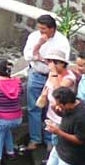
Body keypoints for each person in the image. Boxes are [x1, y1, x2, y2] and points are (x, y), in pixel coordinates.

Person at [21, 16, 69, 150]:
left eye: (43, 28)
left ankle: (49, 139)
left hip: (53, 77)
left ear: (52, 29)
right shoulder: (34, 37)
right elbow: (27, 55)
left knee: (51, 108)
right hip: (36, 74)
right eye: (39, 28)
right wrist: (39, 45)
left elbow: (62, 62)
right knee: (34, 107)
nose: (40, 31)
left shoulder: (62, 41)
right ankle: (35, 138)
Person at [43, 87, 85, 165]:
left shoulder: (81, 117)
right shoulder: (69, 108)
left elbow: (80, 139)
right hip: (59, 148)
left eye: (60, 104)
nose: (58, 106)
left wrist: (58, 132)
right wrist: (57, 111)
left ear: (67, 103)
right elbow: (65, 115)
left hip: (71, 157)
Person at [0, 60, 25, 158]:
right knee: (6, 130)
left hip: (1, 118)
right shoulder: (17, 81)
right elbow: (21, 93)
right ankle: (10, 151)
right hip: (17, 118)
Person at [37, 49, 77, 148]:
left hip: (62, 115)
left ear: (62, 64)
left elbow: (59, 91)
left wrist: (54, 72)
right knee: (51, 137)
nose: (52, 65)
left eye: (55, 62)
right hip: (51, 112)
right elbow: (47, 86)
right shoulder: (52, 74)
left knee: (59, 140)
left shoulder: (69, 78)